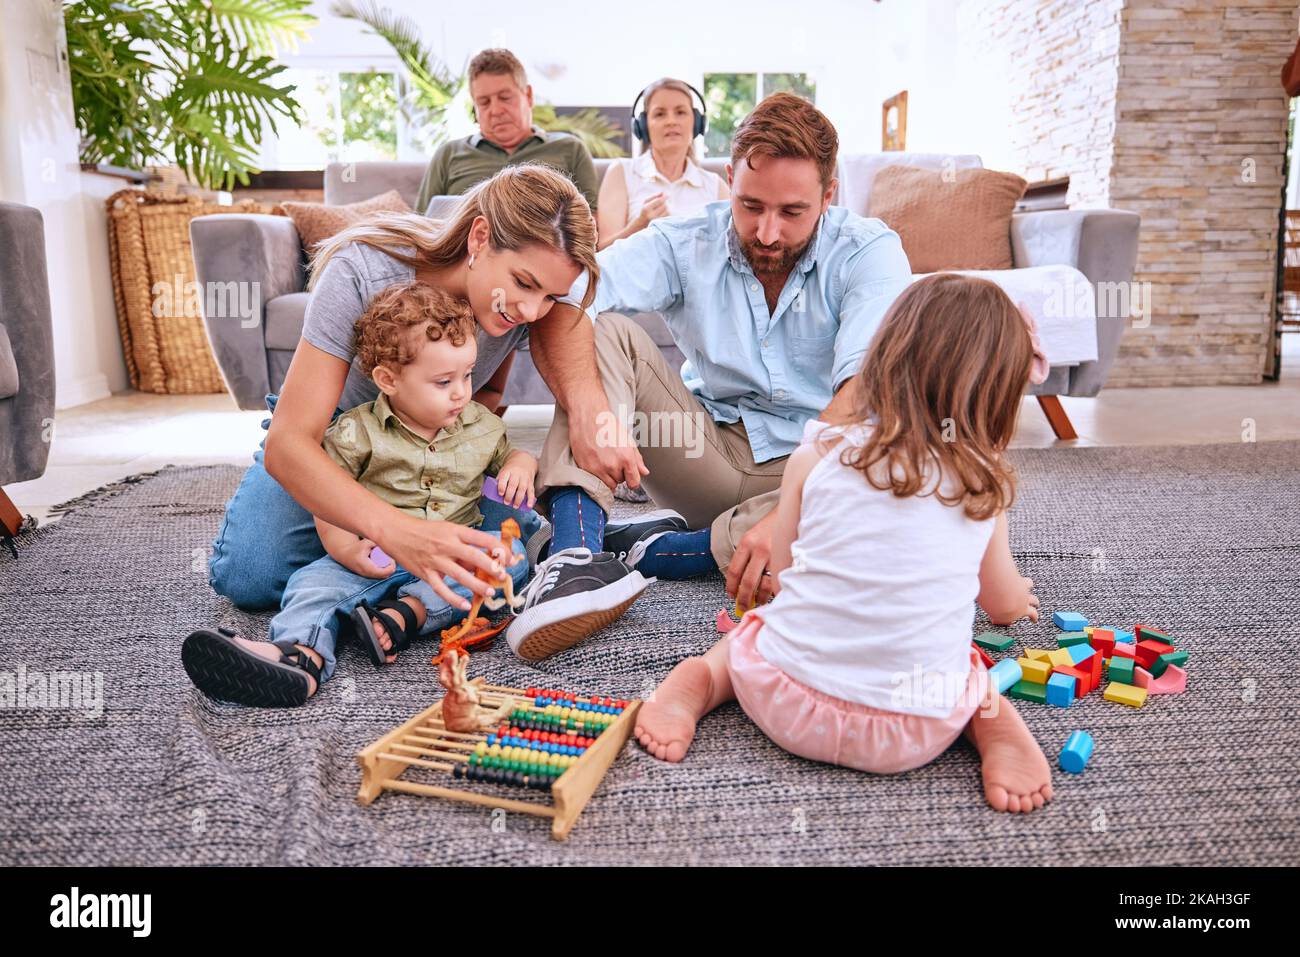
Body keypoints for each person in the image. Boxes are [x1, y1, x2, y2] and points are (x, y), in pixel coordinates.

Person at [502, 93, 914, 658]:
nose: (767, 232)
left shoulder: (869, 251)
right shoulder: (685, 240)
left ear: (829, 194)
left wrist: (791, 509)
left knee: (904, 490)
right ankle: (574, 559)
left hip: (808, 473)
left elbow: (863, 391)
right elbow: (568, 296)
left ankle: (666, 550)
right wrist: (595, 412)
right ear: (728, 179)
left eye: (792, 212)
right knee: (600, 331)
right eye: (750, 206)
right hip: (701, 452)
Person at [633, 274, 1056, 815]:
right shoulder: (981, 485)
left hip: (785, 703)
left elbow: (783, 578)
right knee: (967, 667)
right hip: (911, 734)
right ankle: (998, 727)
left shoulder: (818, 454)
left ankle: (697, 683)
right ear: (998, 395)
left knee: (751, 632)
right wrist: (1019, 597)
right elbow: (1000, 606)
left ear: (883, 359)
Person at [204, 164, 599, 622]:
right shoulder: (363, 269)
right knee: (250, 576)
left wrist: (449, 461)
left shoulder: (513, 309)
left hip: (432, 441)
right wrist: (398, 528)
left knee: (517, 547)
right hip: (335, 437)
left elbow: (490, 388)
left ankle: (384, 595)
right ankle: (379, 563)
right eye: (524, 284)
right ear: (479, 238)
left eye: (549, 296)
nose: (532, 310)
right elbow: (289, 442)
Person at [183, 282, 536, 706]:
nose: (462, 392)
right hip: (374, 555)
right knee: (310, 584)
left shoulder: (481, 425)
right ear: (388, 380)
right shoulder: (356, 431)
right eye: (444, 381)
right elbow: (326, 490)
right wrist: (344, 548)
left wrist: (521, 465)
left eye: (467, 375)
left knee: (506, 567)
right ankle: (300, 655)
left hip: (450, 557)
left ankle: (407, 616)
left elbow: (511, 454)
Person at [413, 48, 599, 215]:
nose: (495, 110)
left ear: (528, 96)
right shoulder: (449, 154)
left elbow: (591, 226)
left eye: (505, 98)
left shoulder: (570, 149)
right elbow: (420, 227)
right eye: (484, 102)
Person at [596, 78, 728, 250]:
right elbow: (603, 253)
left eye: (680, 112)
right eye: (660, 114)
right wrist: (640, 225)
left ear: (697, 123)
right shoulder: (621, 172)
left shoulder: (715, 186)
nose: (671, 121)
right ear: (643, 126)